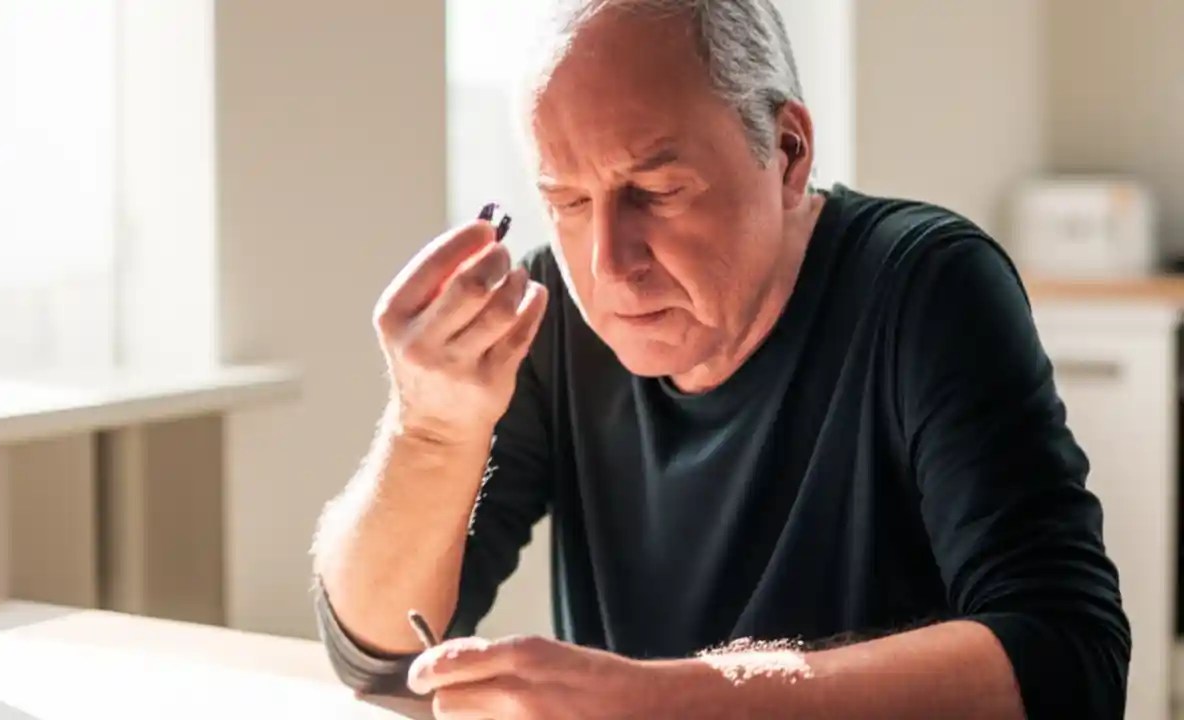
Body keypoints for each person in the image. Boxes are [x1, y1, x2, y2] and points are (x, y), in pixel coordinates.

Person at [311, 1, 1130, 718]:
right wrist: (429, 431)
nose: (608, 262)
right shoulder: (549, 316)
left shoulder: (924, 285)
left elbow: (1067, 659)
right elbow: (376, 656)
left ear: (787, 151)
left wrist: (667, 701)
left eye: (657, 192)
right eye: (565, 201)